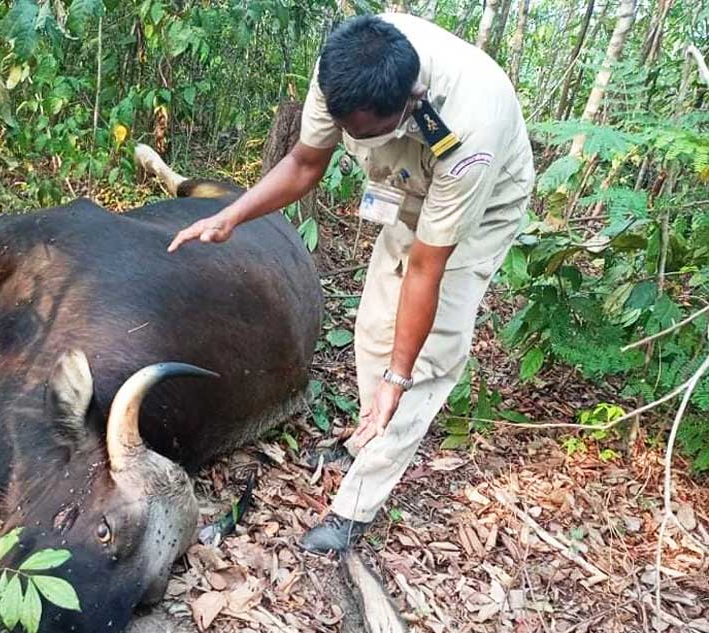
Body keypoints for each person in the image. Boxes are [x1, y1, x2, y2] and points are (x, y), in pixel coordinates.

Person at [167, 12, 535, 553]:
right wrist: (233, 214)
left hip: (475, 211)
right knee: (373, 329)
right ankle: (369, 434)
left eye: (361, 135)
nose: (349, 142)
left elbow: (428, 267)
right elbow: (304, 162)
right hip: (407, 192)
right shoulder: (340, 72)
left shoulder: (472, 130)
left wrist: (400, 376)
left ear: (410, 101)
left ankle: (355, 506)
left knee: (422, 359)